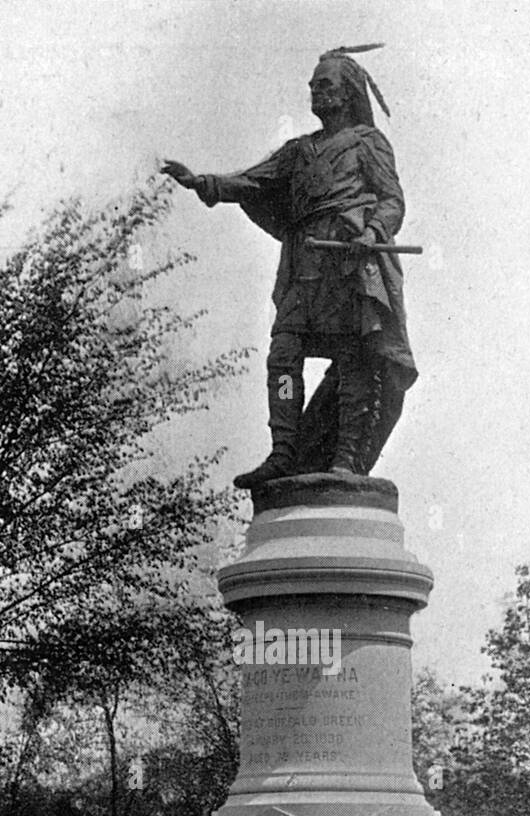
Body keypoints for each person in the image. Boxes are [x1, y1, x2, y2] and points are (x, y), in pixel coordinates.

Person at [162, 44, 417, 489]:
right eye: (312, 86)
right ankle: (283, 450)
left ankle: (345, 456)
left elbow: (392, 199)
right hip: (304, 265)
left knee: (354, 358)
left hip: (349, 263)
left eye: (325, 85)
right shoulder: (298, 150)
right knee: (284, 357)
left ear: (348, 91)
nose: (315, 93)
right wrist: (202, 182)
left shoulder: (367, 143)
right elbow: (252, 180)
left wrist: (372, 233)